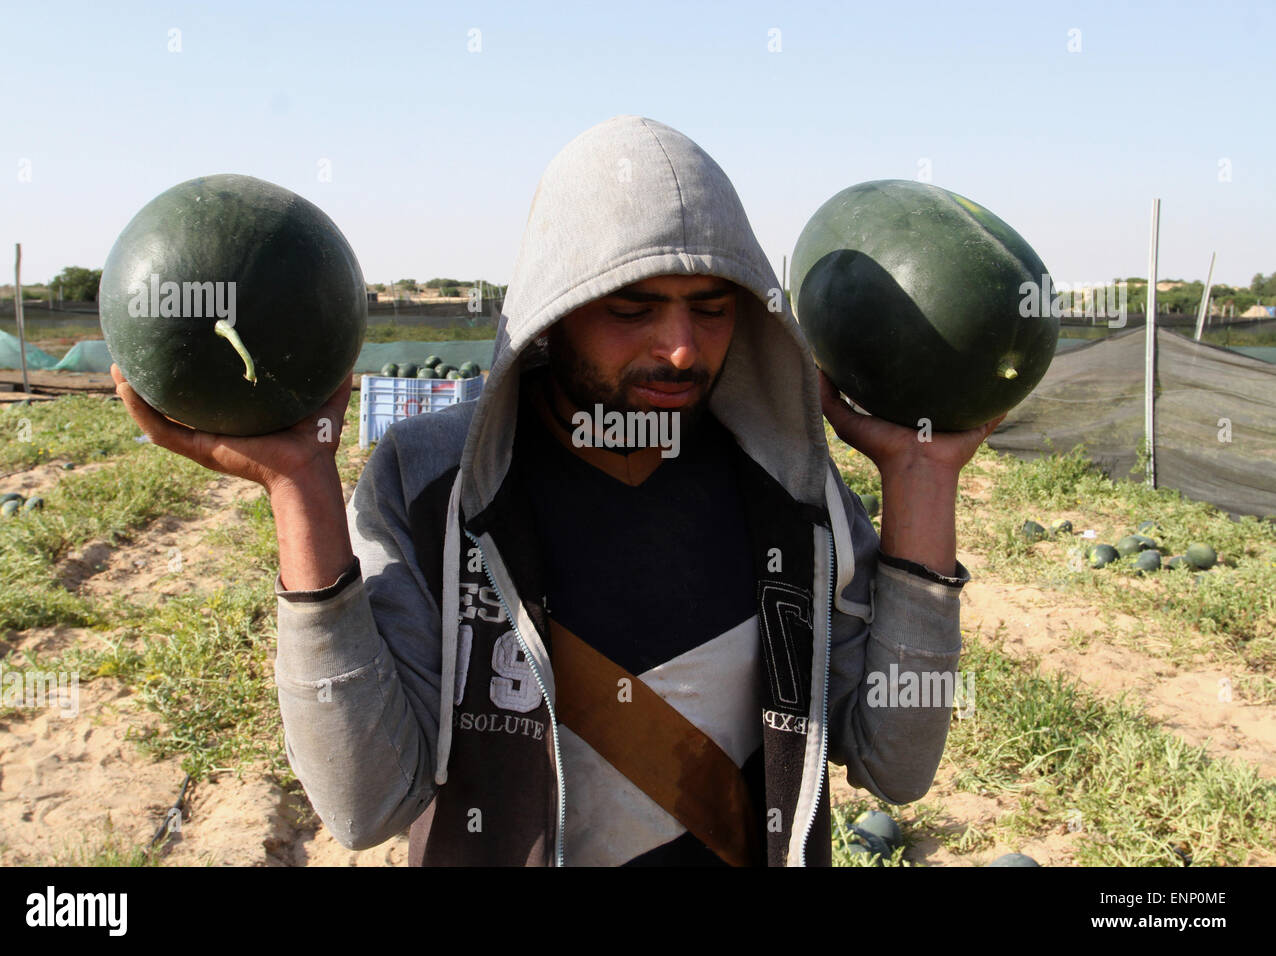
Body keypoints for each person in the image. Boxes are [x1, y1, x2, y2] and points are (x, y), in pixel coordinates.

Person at [112, 115, 1002, 866]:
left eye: (712, 305)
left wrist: (921, 476)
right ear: (555, 305)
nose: (683, 346)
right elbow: (363, 803)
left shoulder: (788, 488)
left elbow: (897, 764)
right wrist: (300, 482)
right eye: (632, 309)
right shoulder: (435, 485)